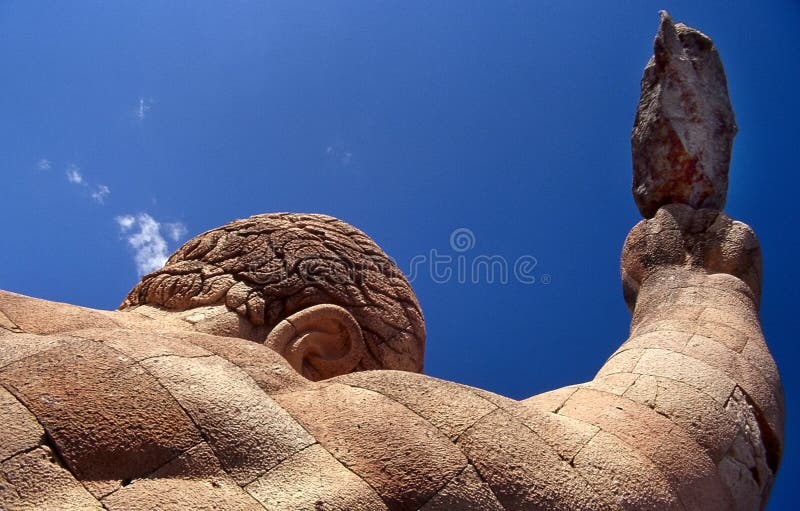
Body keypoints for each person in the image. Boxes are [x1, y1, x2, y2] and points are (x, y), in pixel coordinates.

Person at [0, 12, 783, 511]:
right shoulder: (266, 409)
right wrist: (690, 274)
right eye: (378, 375)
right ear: (320, 346)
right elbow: (640, 471)